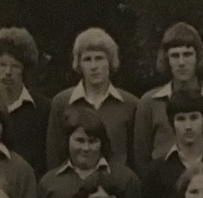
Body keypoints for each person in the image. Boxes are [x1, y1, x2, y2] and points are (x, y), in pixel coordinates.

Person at [133, 22, 203, 175]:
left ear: (198, 57)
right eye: (175, 56)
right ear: (166, 59)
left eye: (187, 55)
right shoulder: (149, 102)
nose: (181, 63)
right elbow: (141, 159)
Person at [39, 109, 142, 198]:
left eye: (92, 141)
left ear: (102, 143)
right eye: (79, 140)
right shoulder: (49, 183)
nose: (86, 148)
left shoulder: (125, 179)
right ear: (67, 141)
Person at [47, 27, 140, 171]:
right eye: (87, 59)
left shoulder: (130, 104)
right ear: (79, 64)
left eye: (99, 58)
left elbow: (136, 158)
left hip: (117, 182)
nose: (94, 66)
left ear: (110, 62)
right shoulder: (61, 102)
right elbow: (54, 157)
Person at [0, 27, 51, 177]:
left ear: (25, 68)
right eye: (2, 65)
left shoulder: (43, 108)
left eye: (15, 66)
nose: (8, 72)